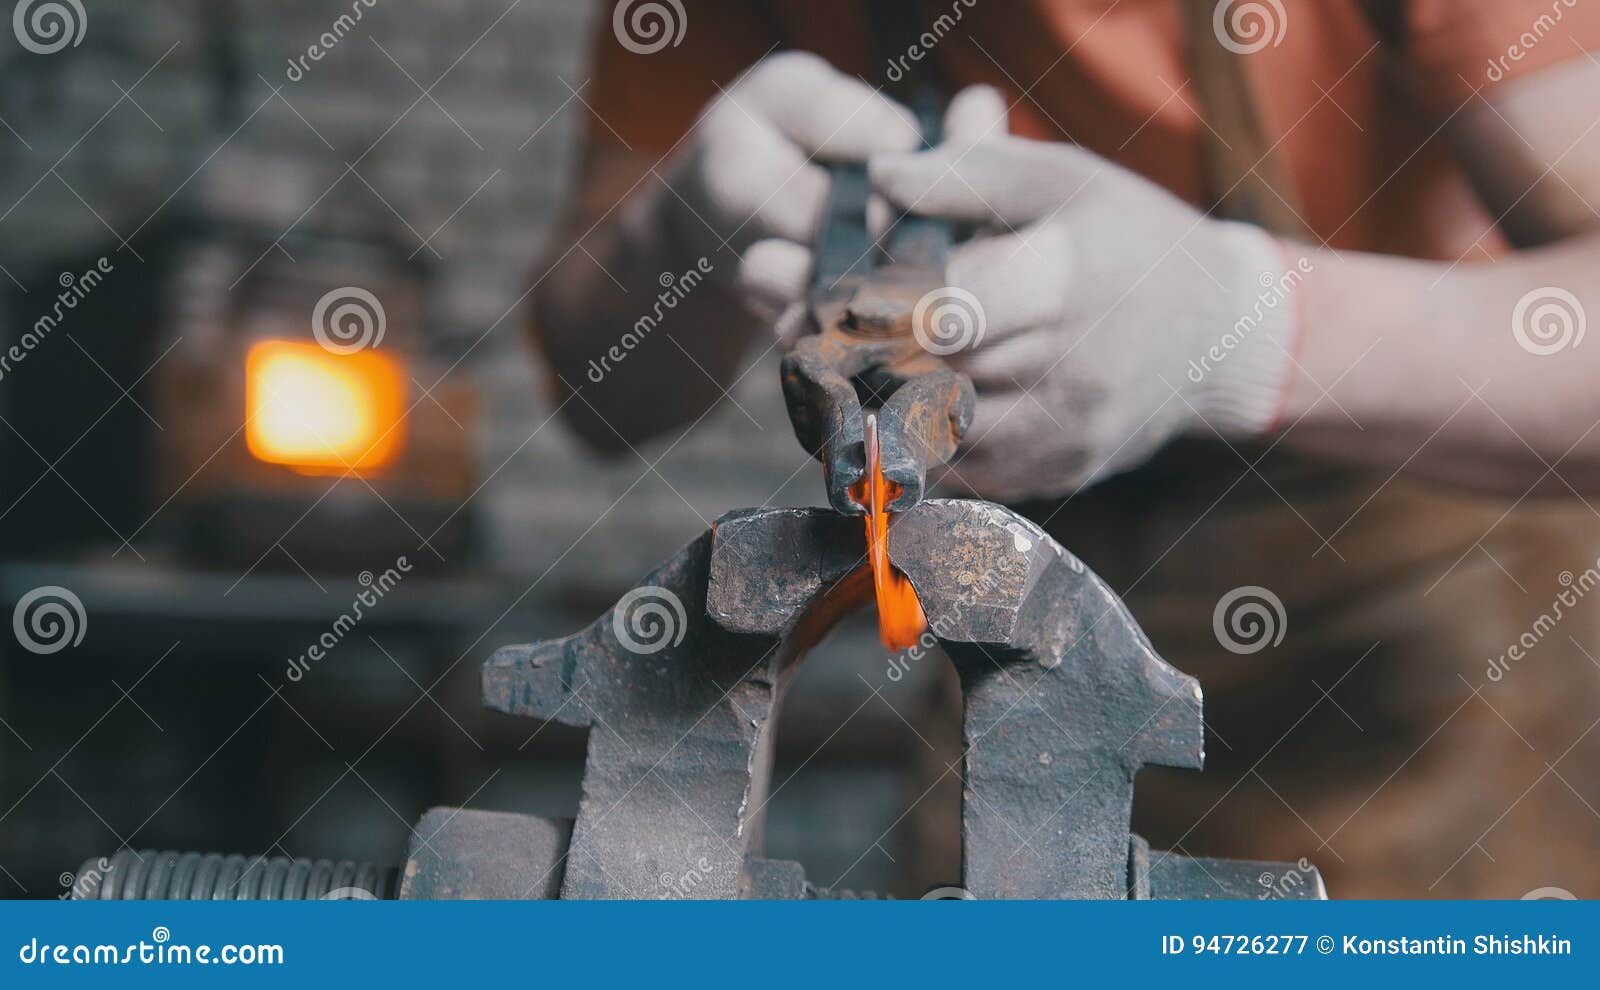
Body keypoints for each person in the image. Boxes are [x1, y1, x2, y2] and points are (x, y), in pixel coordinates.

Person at [531, 0, 1600, 898]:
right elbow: (597, 391)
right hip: (1029, 680)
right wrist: (677, 234)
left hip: (1430, 671)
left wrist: (1251, 328)